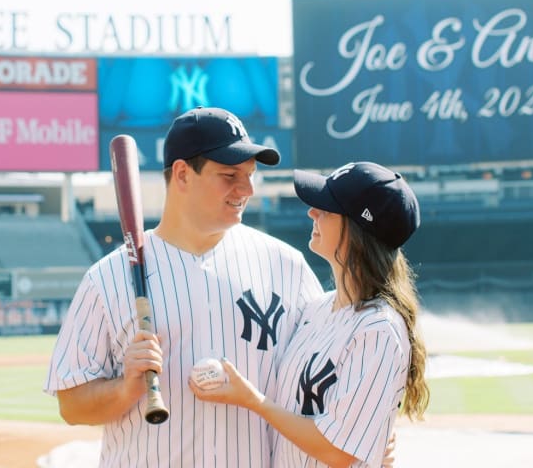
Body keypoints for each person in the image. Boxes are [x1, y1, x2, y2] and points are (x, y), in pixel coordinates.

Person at [44, 106, 326, 467]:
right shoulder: (107, 278)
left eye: (251, 174)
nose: (247, 188)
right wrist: (125, 387)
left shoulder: (286, 266)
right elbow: (71, 405)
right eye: (230, 174)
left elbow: (326, 370)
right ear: (182, 174)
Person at [191, 161, 430, 468]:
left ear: (358, 230)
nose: (312, 212)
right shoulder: (315, 308)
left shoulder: (379, 329)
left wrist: (253, 401)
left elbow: (338, 452)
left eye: (327, 209)